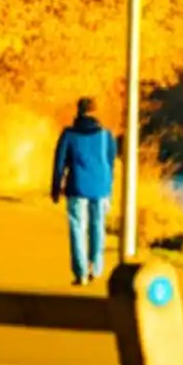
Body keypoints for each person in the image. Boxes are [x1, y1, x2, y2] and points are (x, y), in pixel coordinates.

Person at [51, 97, 117, 286]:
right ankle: (95, 267)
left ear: (78, 112)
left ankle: (80, 271)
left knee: (77, 227)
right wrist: (109, 185)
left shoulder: (69, 135)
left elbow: (59, 163)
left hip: (77, 186)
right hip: (102, 187)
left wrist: (56, 188)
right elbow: (111, 161)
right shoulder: (106, 136)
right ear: (96, 113)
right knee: (98, 226)